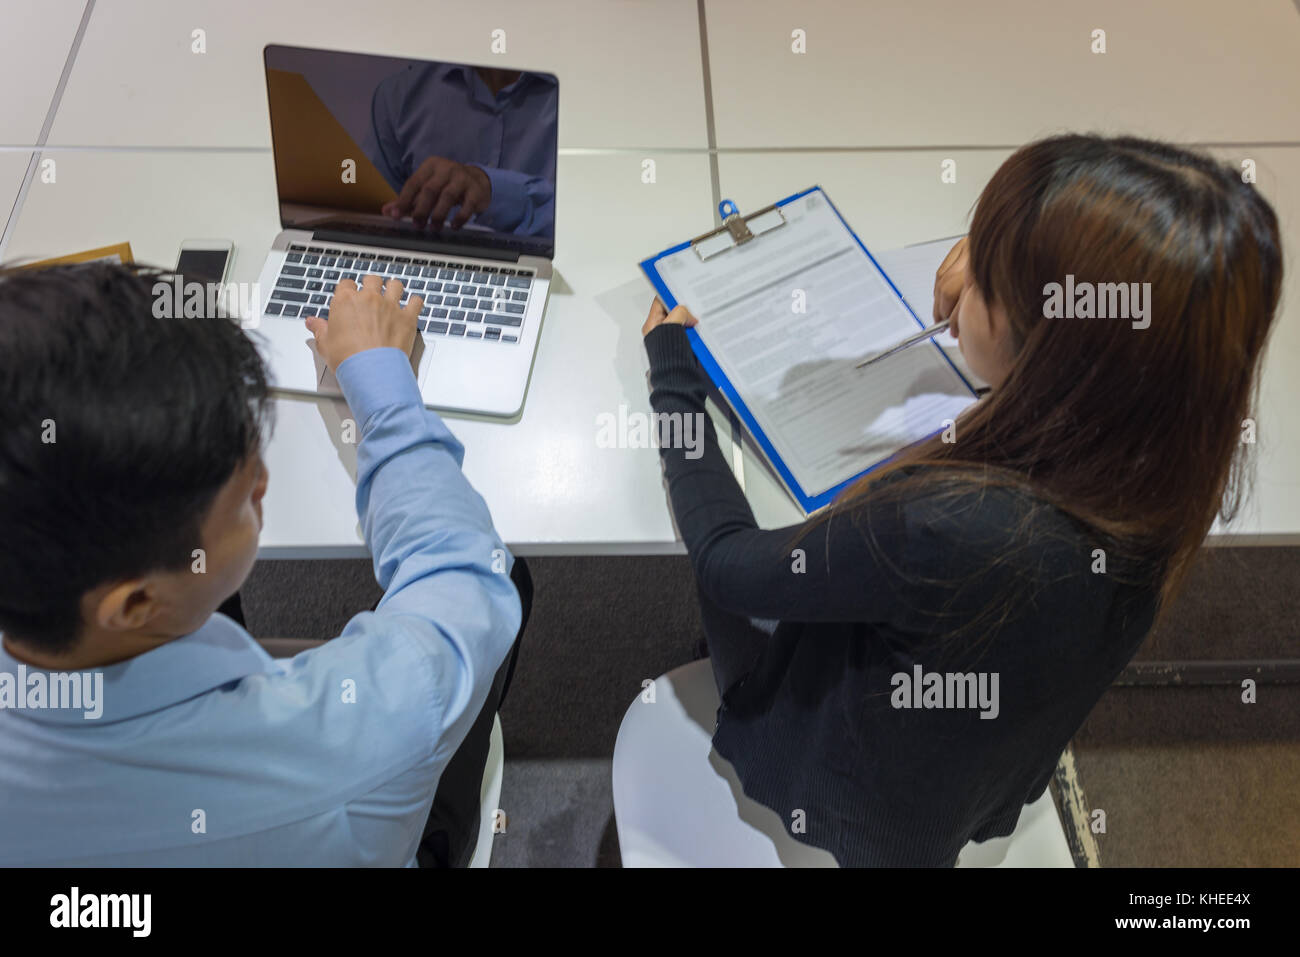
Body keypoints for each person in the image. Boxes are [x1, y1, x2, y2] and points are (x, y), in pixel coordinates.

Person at [640, 134, 1283, 866]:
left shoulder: (946, 522)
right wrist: (1009, 260)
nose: (959, 274)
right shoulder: (1170, 462)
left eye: (986, 278)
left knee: (738, 572)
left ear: (1046, 346)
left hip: (840, 798)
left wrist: (673, 380)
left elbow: (725, 561)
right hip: (976, 787)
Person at [0, 264, 523, 866]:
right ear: (135, 601)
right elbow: (464, 570)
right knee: (514, 578)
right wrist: (381, 382)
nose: (265, 481)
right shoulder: (344, 733)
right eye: (246, 493)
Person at [365, 64, 558, 237]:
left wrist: (494, 190)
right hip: (424, 258)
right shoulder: (401, 93)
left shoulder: (572, 92)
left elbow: (575, 220)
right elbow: (371, 214)